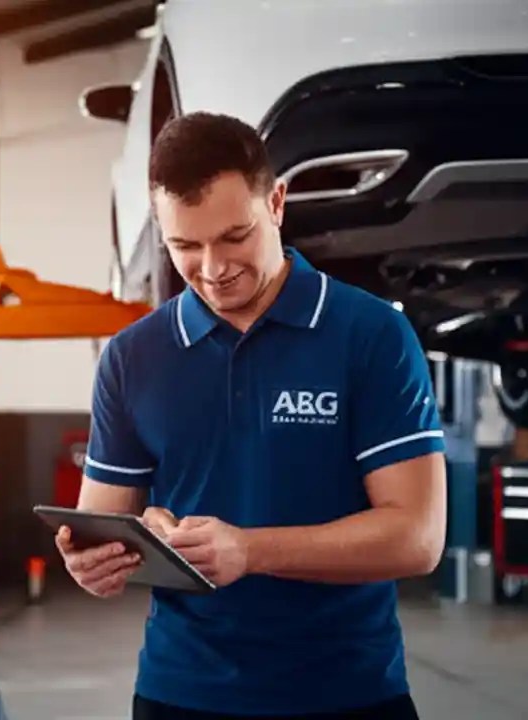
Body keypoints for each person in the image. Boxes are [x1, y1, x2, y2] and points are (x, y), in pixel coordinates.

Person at [55, 112, 447, 720]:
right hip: (180, 695)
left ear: (278, 204)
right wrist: (100, 558)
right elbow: (102, 526)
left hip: (347, 694)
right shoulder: (133, 359)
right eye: (185, 246)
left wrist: (251, 550)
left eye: (235, 236)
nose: (213, 268)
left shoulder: (372, 336)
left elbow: (417, 538)